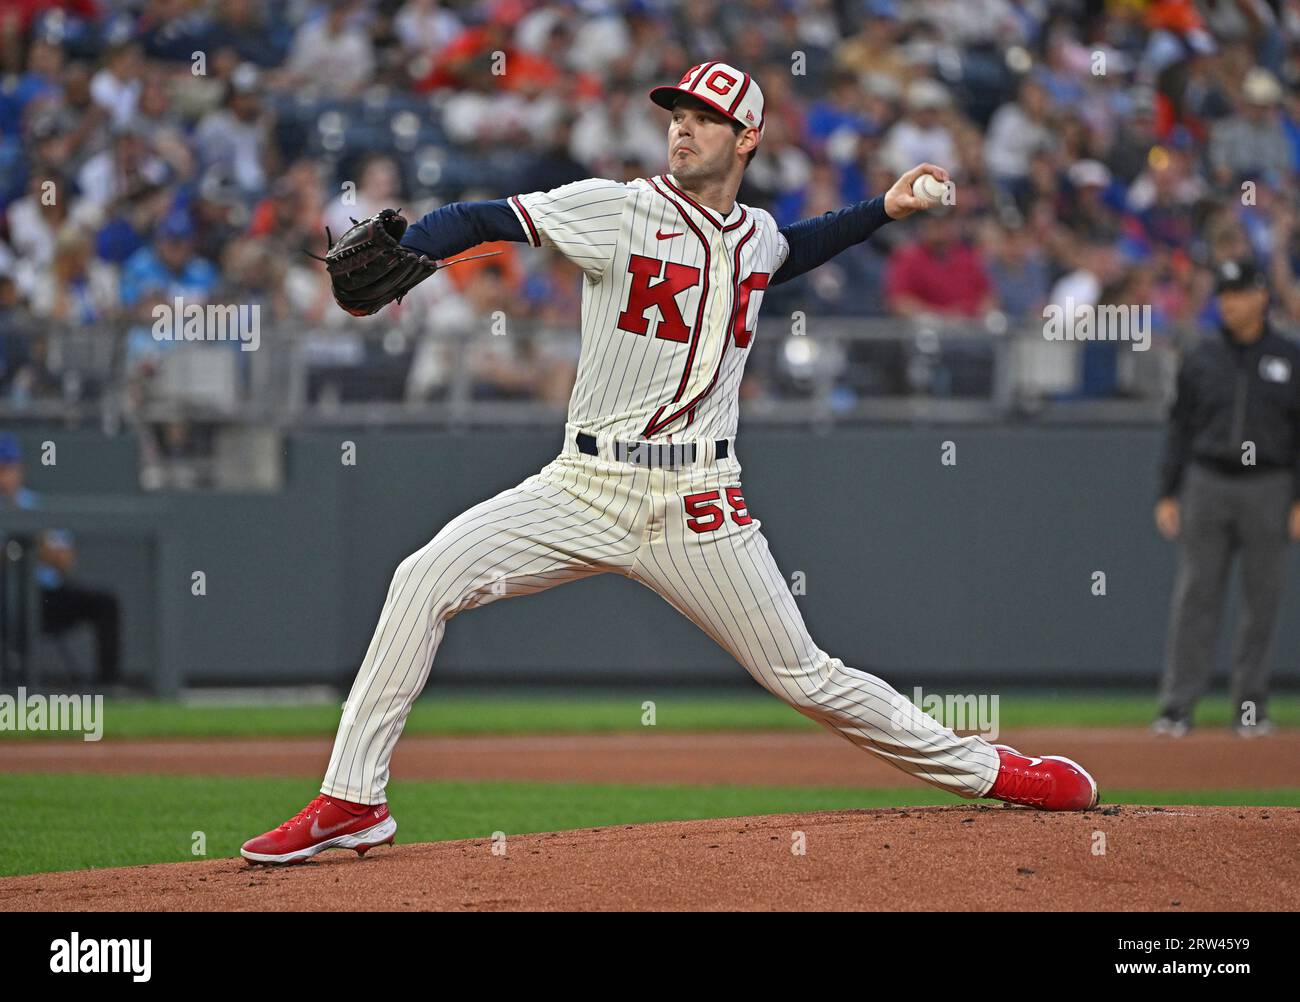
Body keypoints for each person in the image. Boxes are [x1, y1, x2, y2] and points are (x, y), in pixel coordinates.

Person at [242, 62, 1098, 866]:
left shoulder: (755, 234)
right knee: (423, 578)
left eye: (706, 120)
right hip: (583, 485)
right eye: (678, 116)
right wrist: (415, 249)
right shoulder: (619, 208)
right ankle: (354, 801)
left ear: (748, 138)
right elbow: (486, 219)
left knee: (808, 678)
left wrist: (887, 207)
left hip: (698, 502)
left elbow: (792, 249)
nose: (683, 131)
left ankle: (993, 773)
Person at [1153, 259, 1300, 738]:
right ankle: (1177, 708)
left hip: (1270, 485)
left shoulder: (1289, 356)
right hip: (1207, 481)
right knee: (1196, 596)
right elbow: (1179, 427)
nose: (1229, 302)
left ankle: (1250, 710)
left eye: (1238, 292)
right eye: (1224, 293)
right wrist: (1168, 492)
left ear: (1261, 296)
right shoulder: (1202, 356)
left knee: (1262, 602)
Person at [0, 433, 122, 687]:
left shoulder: (34, 505)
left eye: (7, 468)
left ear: (19, 470)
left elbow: (66, 561)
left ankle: (108, 689)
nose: (3, 477)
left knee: (105, 603)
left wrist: (37, 545)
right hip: (4, 599)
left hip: (44, 596)